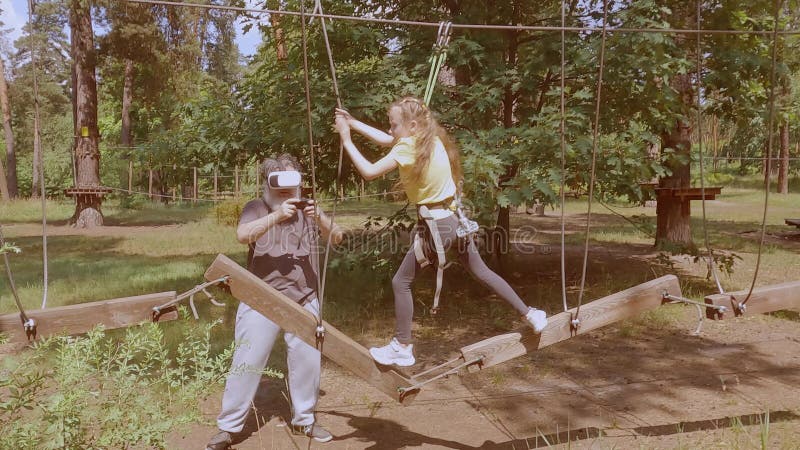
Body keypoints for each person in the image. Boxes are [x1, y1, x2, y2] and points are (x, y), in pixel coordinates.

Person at [333, 96, 548, 368]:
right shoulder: (429, 140)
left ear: (412, 126)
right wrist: (353, 123)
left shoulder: (409, 148)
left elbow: (369, 172)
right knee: (481, 271)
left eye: (394, 125)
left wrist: (346, 139)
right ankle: (530, 314)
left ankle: (401, 346)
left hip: (437, 226)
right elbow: (389, 141)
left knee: (401, 282)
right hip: (453, 220)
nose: (390, 130)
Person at [206, 154, 343, 450]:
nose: (286, 189)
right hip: (261, 297)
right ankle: (228, 427)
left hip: (304, 297)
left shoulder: (309, 208)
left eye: (292, 181)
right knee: (247, 361)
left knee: (308, 362)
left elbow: (339, 238)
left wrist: (320, 217)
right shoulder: (257, 207)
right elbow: (243, 235)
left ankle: (305, 419)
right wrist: (278, 215)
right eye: (279, 181)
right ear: (268, 181)